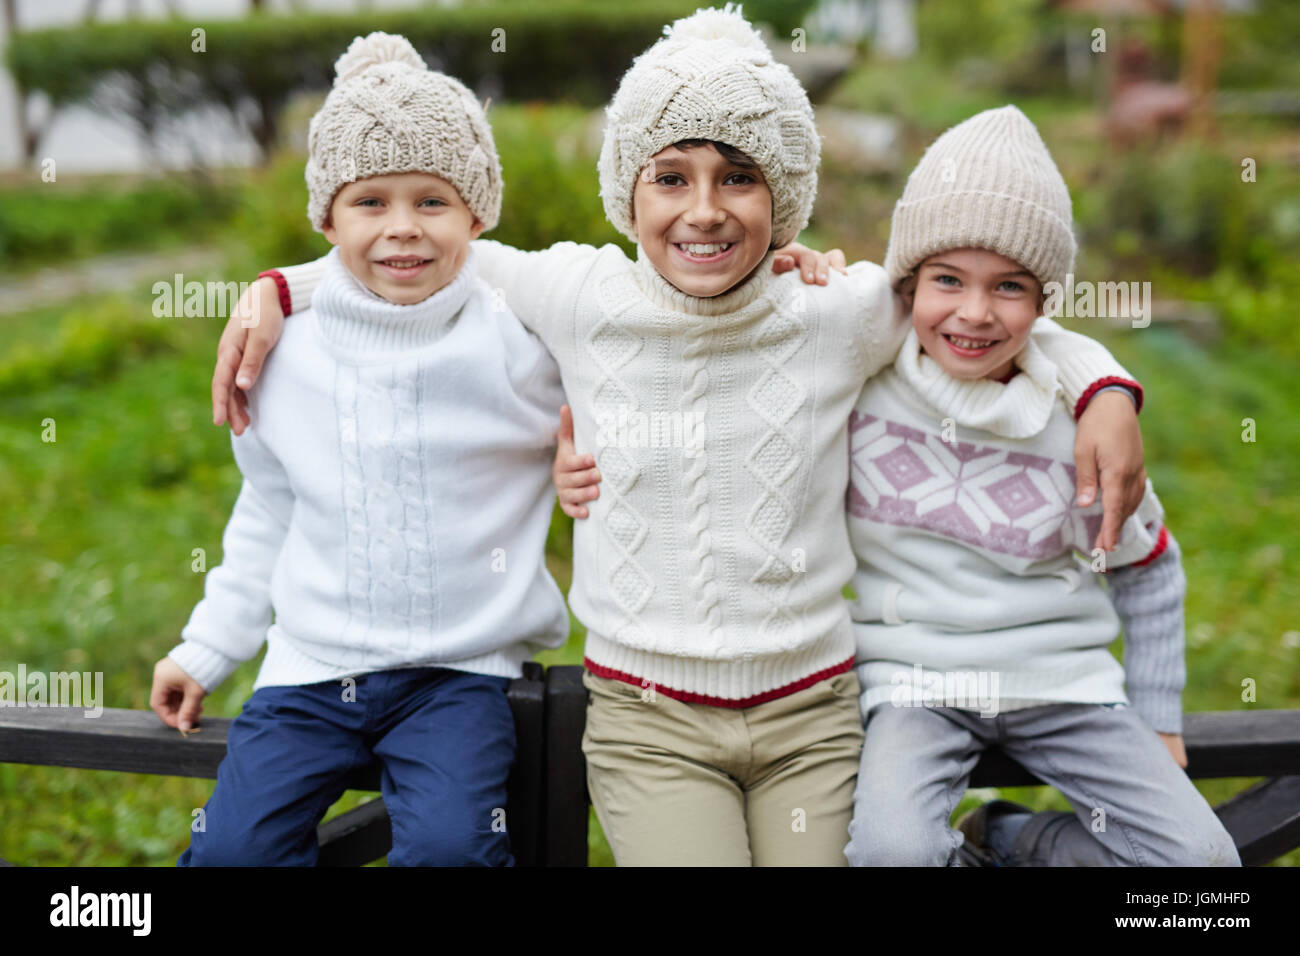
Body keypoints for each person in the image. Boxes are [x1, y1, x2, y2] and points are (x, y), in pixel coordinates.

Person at [206, 8, 1149, 866]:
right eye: (672, 178)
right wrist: (280, 287)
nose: (704, 209)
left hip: (811, 713)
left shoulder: (840, 310)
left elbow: (975, 300)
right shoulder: (580, 295)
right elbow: (416, 246)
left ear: (783, 197)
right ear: (630, 191)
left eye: (739, 178)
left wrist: (1101, 383)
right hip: (648, 718)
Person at [149, 32, 570, 866]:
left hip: (461, 675)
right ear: (326, 218)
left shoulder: (522, 343)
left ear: (478, 215)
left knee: (454, 850)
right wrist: (207, 647)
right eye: (370, 202)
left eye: (433, 201)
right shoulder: (286, 352)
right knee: (233, 853)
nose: (402, 229)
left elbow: (644, 316)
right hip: (309, 672)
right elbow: (267, 510)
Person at [840, 105, 1239, 866]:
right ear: (907, 284)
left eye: (1010, 287)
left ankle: (1022, 836)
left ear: (1045, 302)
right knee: (893, 854)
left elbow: (1149, 570)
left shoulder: (1080, 425)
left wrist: (1159, 718)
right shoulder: (860, 391)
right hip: (914, 684)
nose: (974, 313)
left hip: (1065, 686)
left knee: (1202, 871)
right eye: (947, 279)